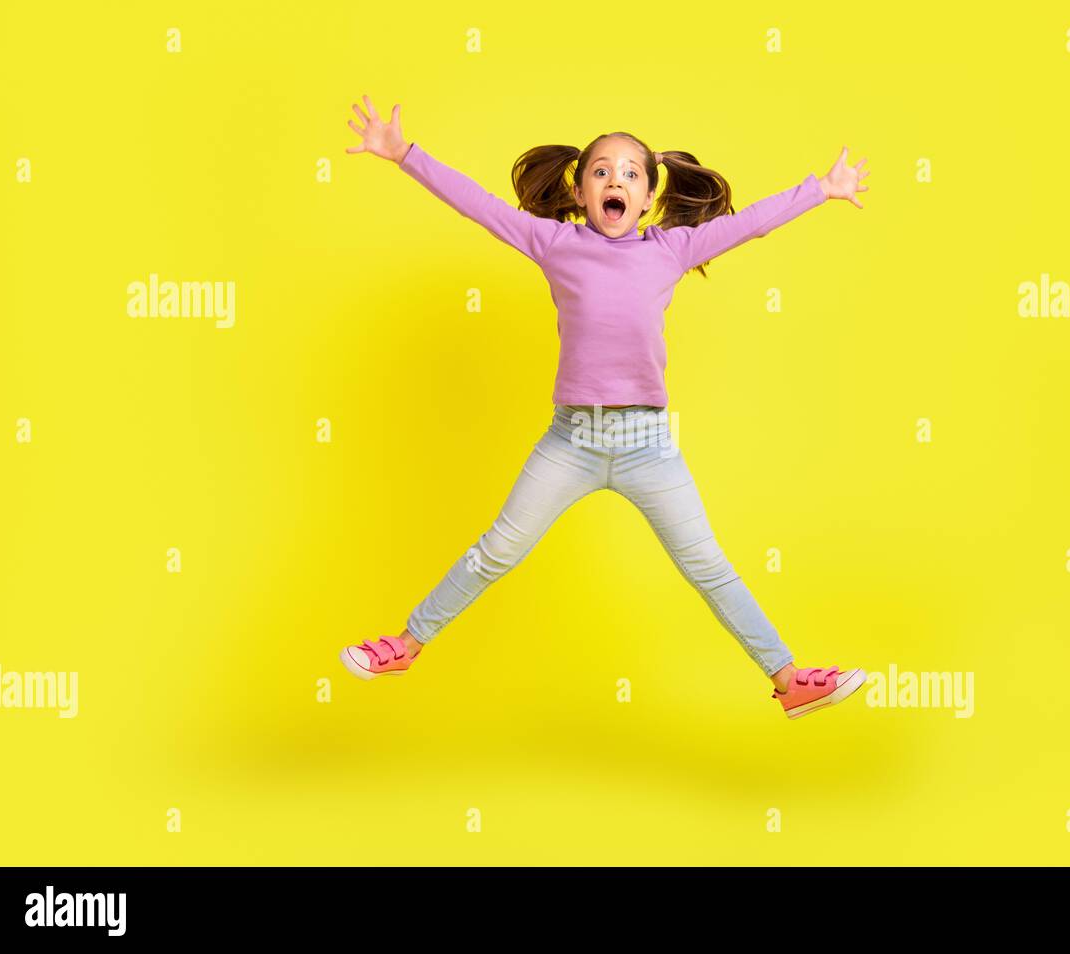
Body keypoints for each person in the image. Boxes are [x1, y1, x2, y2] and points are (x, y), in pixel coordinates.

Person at [338, 95, 871, 719]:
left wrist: (822, 188)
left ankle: (789, 682)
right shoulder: (554, 243)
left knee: (708, 566)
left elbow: (750, 222)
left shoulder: (670, 250)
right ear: (580, 191)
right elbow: (477, 205)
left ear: (647, 198)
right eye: (600, 172)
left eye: (630, 174)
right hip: (570, 442)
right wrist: (404, 154)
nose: (614, 180)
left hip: (649, 446)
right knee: (497, 551)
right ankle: (405, 645)